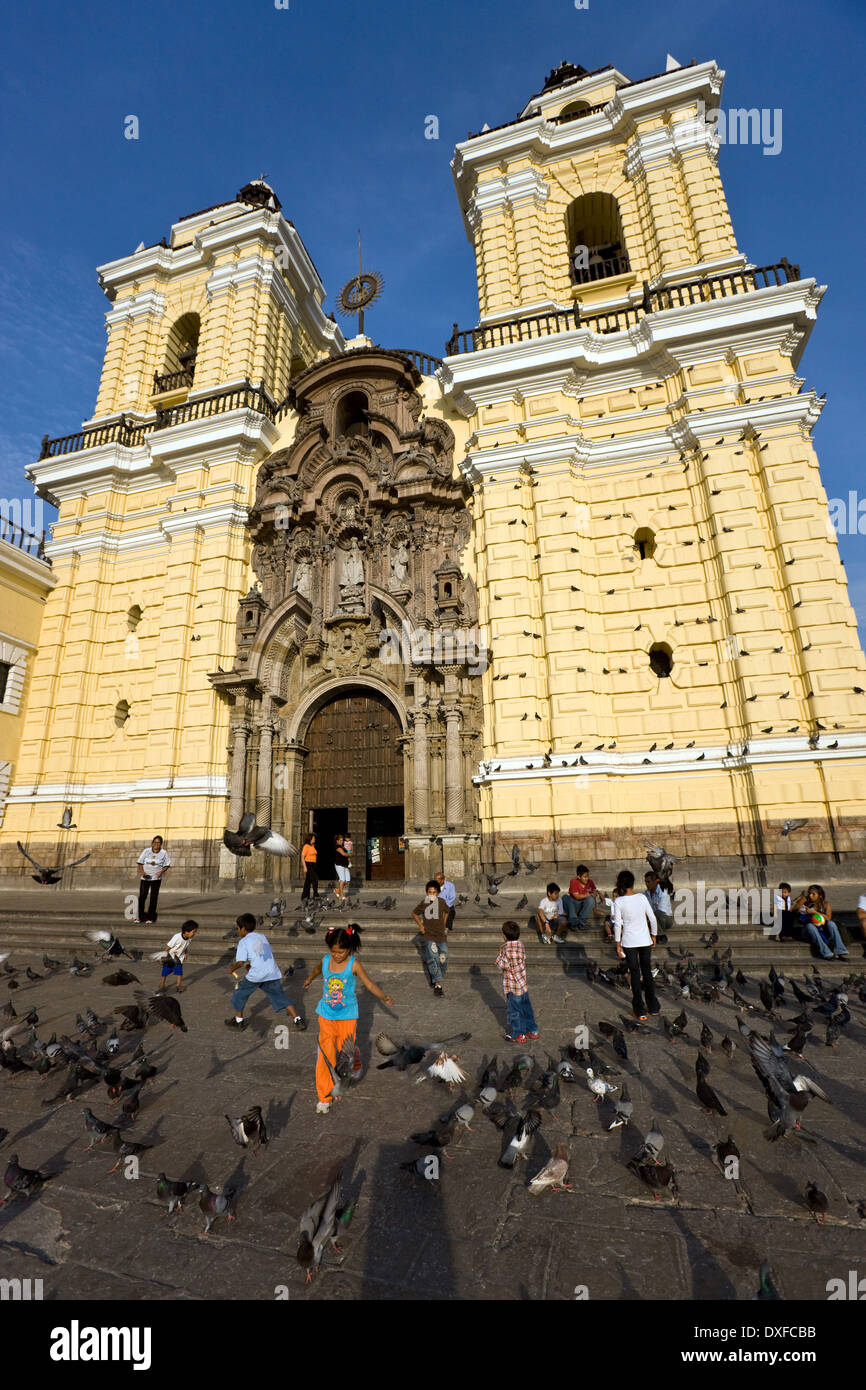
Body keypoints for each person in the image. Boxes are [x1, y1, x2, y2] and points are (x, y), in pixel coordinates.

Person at [303, 924, 393, 1114]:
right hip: (326, 1015)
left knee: (345, 1054)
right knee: (325, 1056)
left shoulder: (354, 964)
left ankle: (350, 1069)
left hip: (347, 1017)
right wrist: (309, 979)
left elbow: (368, 984)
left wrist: (383, 997)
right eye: (334, 951)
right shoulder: (326, 960)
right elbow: (317, 969)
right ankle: (324, 1096)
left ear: (349, 948)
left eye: (341, 952)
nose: (337, 955)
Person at [225, 913, 307, 1030]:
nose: (238, 931)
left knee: (240, 992)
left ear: (243, 929)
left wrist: (232, 968)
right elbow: (262, 955)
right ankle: (298, 1019)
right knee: (280, 996)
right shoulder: (262, 937)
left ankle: (238, 1020)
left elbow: (240, 962)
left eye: (238, 928)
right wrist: (251, 966)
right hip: (271, 972)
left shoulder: (243, 942)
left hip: (256, 975)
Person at [612, 868, 660, 1020]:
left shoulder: (618, 901)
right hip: (645, 940)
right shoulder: (642, 897)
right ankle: (653, 1007)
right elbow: (652, 918)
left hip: (629, 942)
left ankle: (639, 1010)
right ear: (632, 883)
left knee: (635, 974)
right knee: (647, 973)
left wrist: (617, 944)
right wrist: (654, 935)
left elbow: (617, 924)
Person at [496, 920, 538, 1043]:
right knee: (526, 1008)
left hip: (513, 986)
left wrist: (499, 953)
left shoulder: (505, 950)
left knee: (514, 1011)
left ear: (504, 936)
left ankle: (518, 1034)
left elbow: (501, 965)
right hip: (523, 985)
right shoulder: (521, 945)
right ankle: (532, 1030)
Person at [412, 879, 450, 995]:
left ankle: (436, 976)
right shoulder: (424, 903)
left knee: (444, 958)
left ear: (438, 893)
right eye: (429, 892)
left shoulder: (442, 902)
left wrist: (444, 924)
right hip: (429, 935)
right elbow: (414, 913)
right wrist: (421, 926)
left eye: (434, 892)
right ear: (426, 893)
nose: (431, 894)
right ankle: (438, 984)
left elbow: (447, 912)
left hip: (440, 935)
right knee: (433, 957)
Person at [792, 884, 848, 960]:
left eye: (813, 894)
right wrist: (801, 901)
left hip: (822, 931)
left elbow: (828, 918)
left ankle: (841, 951)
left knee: (831, 924)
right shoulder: (806, 902)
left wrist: (814, 913)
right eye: (809, 893)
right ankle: (827, 953)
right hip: (808, 932)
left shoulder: (825, 904)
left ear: (820, 895)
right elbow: (793, 910)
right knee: (810, 926)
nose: (810, 895)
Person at [136, 835, 171, 923]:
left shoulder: (164, 853)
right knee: (142, 897)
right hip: (145, 878)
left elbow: (167, 865)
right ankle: (139, 917)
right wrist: (142, 872)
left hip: (156, 879)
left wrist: (161, 872)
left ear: (161, 844)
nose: (156, 844)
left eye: (158, 842)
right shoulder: (146, 851)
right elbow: (140, 862)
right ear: (152, 843)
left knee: (153, 897)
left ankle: (150, 917)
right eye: (155, 842)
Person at [157, 919, 197, 993]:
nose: (194, 933)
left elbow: (185, 946)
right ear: (187, 931)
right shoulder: (177, 937)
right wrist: (162, 955)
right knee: (165, 971)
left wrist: (186, 953)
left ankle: (178, 985)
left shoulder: (189, 938)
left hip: (179, 958)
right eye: (193, 932)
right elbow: (168, 946)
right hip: (171, 956)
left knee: (179, 971)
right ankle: (162, 984)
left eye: (195, 932)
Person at [564, 864, 597, 933]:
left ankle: (581, 923)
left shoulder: (590, 882)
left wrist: (595, 909)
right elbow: (577, 896)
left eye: (587, 876)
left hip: (583, 907)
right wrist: (588, 894)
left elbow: (594, 896)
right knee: (565, 897)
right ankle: (574, 923)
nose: (587, 878)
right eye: (584, 877)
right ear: (579, 876)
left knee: (591, 900)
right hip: (573, 906)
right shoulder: (573, 881)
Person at [644, 871, 673, 939]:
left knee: (658, 913)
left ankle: (660, 935)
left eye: (648, 882)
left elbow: (661, 911)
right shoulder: (645, 894)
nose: (646, 884)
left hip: (666, 919)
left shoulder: (663, 893)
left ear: (656, 881)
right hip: (652, 919)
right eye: (645, 882)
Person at [300, 834, 319, 902]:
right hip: (308, 864)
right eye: (313, 838)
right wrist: (305, 867)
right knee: (315, 879)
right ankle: (316, 895)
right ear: (310, 839)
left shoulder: (313, 846)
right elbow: (302, 857)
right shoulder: (306, 846)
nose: (314, 839)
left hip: (313, 865)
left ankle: (305, 896)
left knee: (308, 882)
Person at [333, 834, 350, 906]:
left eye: (342, 840)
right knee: (342, 880)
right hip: (339, 865)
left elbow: (346, 853)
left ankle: (337, 890)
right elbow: (343, 854)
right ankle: (341, 896)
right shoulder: (337, 847)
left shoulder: (342, 846)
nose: (342, 841)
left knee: (347, 880)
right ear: (337, 841)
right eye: (340, 840)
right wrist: (349, 854)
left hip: (345, 865)